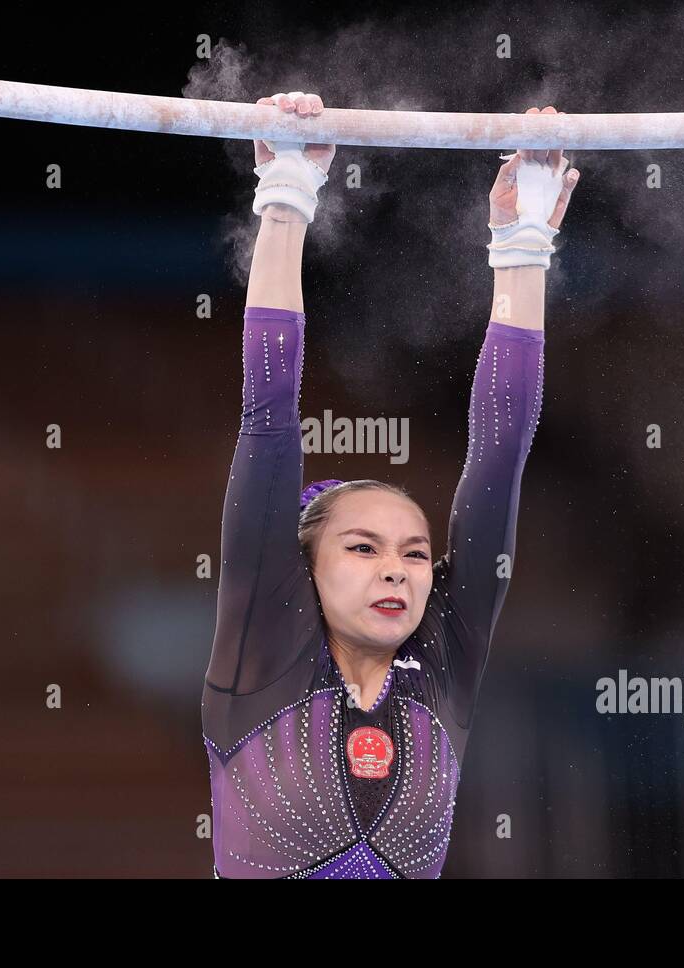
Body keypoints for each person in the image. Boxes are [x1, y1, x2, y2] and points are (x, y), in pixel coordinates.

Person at [201, 90, 579, 878]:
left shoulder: (445, 656)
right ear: (302, 570)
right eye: (365, 547)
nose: (396, 570)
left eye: (414, 554)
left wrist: (521, 244)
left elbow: (499, 454)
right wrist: (285, 197)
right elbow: (268, 416)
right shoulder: (264, 649)